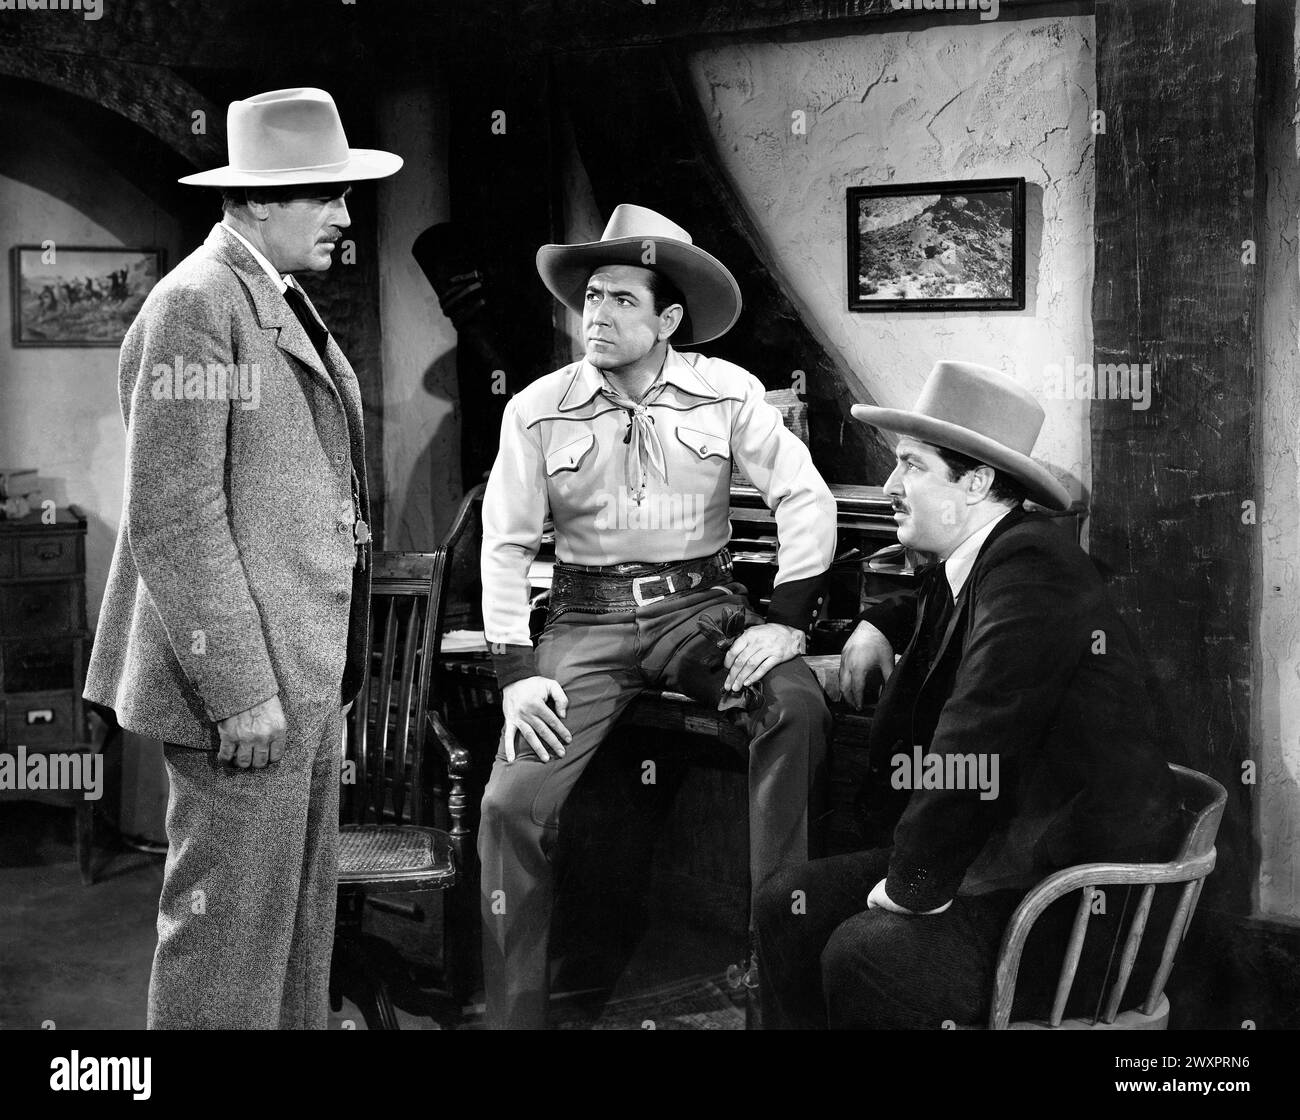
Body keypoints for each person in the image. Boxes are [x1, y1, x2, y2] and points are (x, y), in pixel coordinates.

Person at [84, 87, 401, 1029]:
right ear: (260, 200)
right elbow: (173, 519)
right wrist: (238, 690)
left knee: (293, 938)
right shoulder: (196, 304)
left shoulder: (273, 296)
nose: (346, 215)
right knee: (222, 954)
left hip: (297, 673)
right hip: (244, 686)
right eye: (327, 196)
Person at [479, 203, 837, 1029]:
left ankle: (772, 982)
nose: (596, 316)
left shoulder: (726, 393)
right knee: (508, 806)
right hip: (584, 623)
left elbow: (803, 494)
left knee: (797, 706)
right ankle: (515, 1020)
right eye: (592, 296)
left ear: (669, 318)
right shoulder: (536, 407)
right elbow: (504, 544)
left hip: (700, 612)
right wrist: (512, 675)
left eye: (622, 301)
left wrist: (786, 620)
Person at [755, 359, 1184, 1029]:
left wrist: (912, 888)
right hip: (1011, 861)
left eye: (912, 466)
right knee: (787, 901)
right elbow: (936, 599)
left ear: (978, 482)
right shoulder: (994, 554)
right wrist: (876, 619)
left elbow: (980, 727)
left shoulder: (1032, 568)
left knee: (863, 950)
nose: (890, 485)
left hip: (1073, 901)